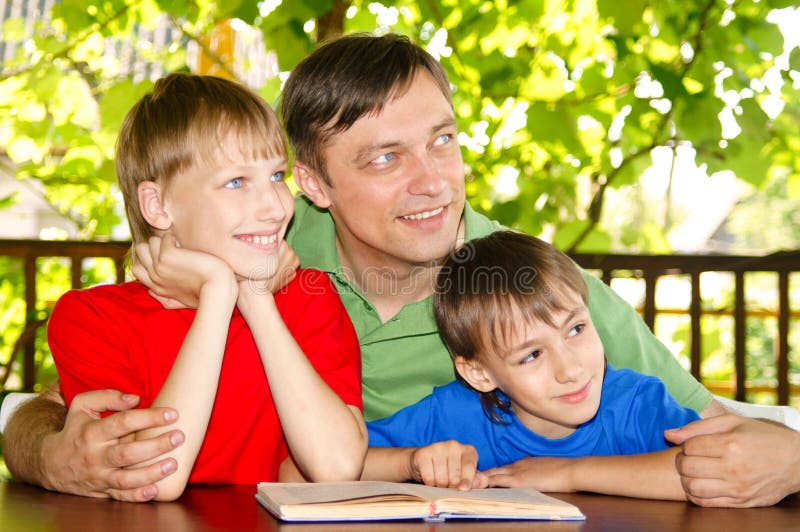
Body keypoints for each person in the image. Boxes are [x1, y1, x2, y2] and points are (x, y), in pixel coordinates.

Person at [4, 32, 797, 507]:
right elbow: (54, 410)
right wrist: (47, 453)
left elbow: (713, 433)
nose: (432, 180)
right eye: (386, 156)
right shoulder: (268, 244)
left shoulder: (531, 290)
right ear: (311, 184)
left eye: (443, 140)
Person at [5, 73, 367, 502]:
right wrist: (217, 294)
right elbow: (153, 478)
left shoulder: (308, 299)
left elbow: (337, 466)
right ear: (158, 206)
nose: (275, 206)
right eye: (236, 182)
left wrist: (254, 297)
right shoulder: (92, 319)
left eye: (275, 176)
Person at [362, 230, 699, 501]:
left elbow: (715, 469)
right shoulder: (452, 414)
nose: (570, 369)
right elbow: (340, 464)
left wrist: (569, 473)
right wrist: (411, 462)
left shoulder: (636, 403)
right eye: (531, 355)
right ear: (479, 373)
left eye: (576, 329)